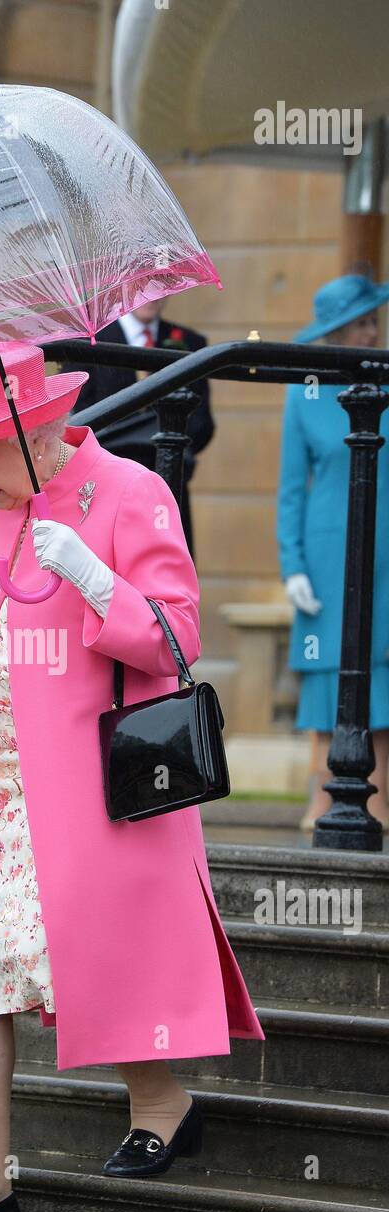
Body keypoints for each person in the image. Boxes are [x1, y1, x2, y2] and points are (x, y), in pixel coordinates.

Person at [0, 340, 265, 1212]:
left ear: (35, 424)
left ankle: (163, 1102)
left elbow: (176, 644)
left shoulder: (130, 491)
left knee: (84, 947)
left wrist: (97, 580)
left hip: (97, 778)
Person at [278, 273, 389, 832]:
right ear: (336, 330)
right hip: (327, 548)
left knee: (383, 668)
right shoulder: (306, 387)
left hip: (387, 544)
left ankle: (383, 798)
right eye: (360, 322)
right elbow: (291, 487)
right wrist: (291, 564)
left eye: (373, 320)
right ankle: (321, 798)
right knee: (326, 670)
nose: (370, 331)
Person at [58, 296, 214, 560]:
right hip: (108, 483)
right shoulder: (89, 342)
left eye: (161, 283)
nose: (153, 295)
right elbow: (81, 417)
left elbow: (202, 424)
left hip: (167, 480)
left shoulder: (189, 343)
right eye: (144, 286)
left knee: (167, 566)